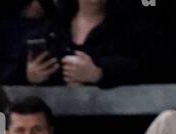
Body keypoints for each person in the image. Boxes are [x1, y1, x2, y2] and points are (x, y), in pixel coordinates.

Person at [9, 0, 152, 88]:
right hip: (55, 125)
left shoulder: (133, 29)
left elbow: (151, 67)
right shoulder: (50, 30)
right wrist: (29, 76)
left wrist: (100, 74)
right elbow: (7, 75)